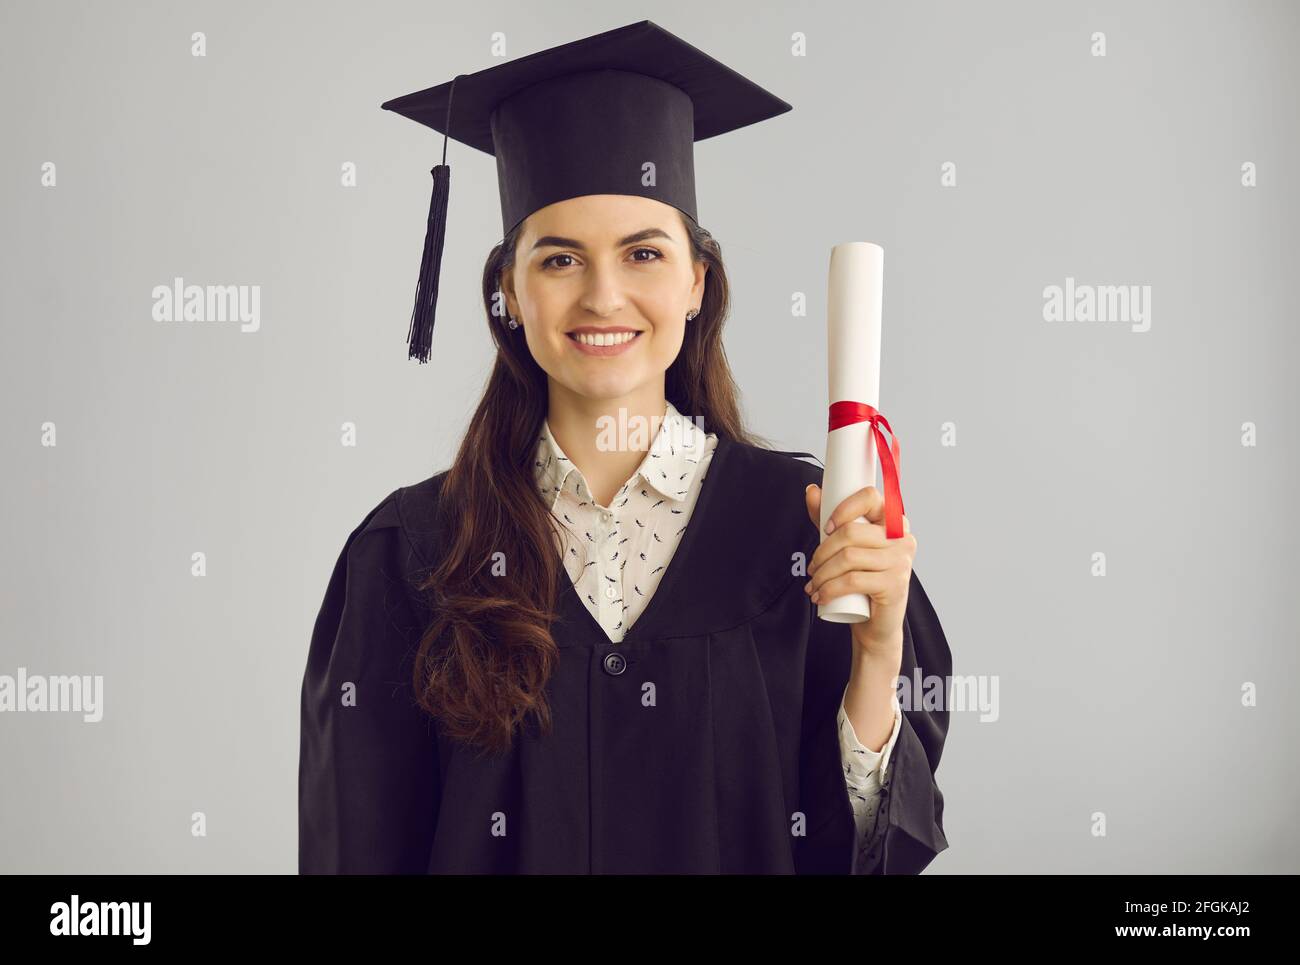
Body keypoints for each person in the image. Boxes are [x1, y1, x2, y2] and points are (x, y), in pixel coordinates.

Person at [299, 20, 951, 874]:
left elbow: (863, 853)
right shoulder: (413, 553)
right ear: (509, 292)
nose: (604, 297)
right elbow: (356, 849)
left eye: (643, 253)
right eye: (560, 260)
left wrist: (877, 650)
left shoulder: (807, 529)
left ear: (696, 283)